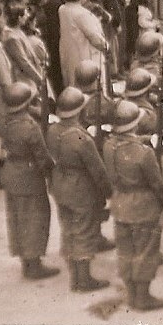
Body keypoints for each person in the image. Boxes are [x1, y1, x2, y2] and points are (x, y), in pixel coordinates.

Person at [103, 99, 163, 312]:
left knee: (126, 251)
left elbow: (125, 147)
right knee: (146, 252)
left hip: (120, 203)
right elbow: (157, 183)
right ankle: (143, 297)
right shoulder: (144, 153)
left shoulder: (109, 145)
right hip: (143, 207)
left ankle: (132, 294)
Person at [47, 85, 111, 293]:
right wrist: (107, 192)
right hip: (80, 189)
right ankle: (83, 280)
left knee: (69, 230)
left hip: (60, 185)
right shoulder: (81, 138)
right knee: (84, 231)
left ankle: (75, 275)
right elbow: (98, 171)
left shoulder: (53, 130)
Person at [0, 81, 59, 281]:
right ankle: (34, 265)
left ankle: (26, 260)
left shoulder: (2, 119)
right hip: (29, 175)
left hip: (11, 170)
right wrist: (52, 172)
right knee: (35, 218)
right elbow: (41, 155)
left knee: (17, 218)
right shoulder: (30, 127)